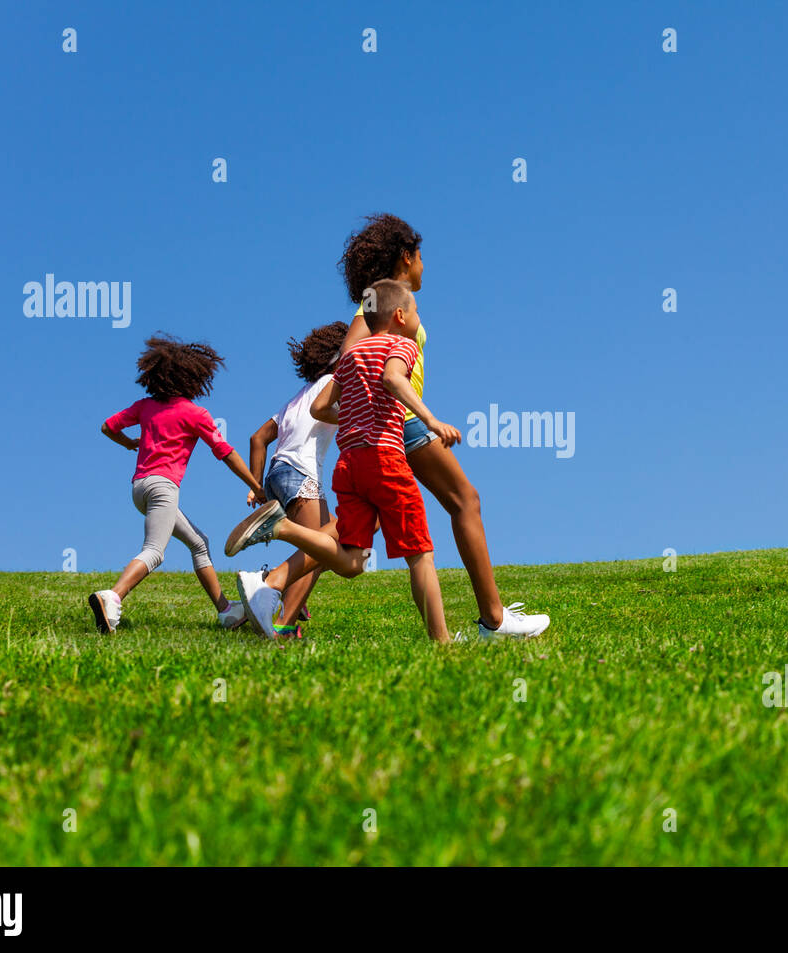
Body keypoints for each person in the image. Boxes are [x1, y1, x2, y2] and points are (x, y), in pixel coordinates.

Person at [241, 214, 550, 640]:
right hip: (399, 423)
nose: (425, 265)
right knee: (464, 501)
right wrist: (413, 412)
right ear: (406, 257)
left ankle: (271, 589)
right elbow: (349, 358)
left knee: (350, 539)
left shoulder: (385, 303)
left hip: (382, 432)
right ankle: (493, 620)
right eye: (421, 256)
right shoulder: (377, 309)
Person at [226, 281, 454, 642]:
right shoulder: (402, 344)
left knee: (352, 561)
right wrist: (431, 420)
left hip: (349, 466)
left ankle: (281, 528)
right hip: (385, 459)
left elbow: (320, 408)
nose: (419, 319)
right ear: (399, 316)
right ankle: (443, 645)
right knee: (420, 555)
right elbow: (394, 378)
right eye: (416, 312)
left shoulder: (349, 359)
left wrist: (350, 418)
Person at [89, 334, 265, 634]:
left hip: (140, 488)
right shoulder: (195, 414)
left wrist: (129, 443)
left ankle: (226, 611)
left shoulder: (145, 406)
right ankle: (113, 597)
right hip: (163, 488)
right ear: (193, 379)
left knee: (199, 542)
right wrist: (255, 485)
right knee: (155, 551)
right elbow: (227, 453)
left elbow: (108, 426)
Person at [242, 321, 348, 638]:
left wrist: (256, 485)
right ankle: (281, 620)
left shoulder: (297, 397)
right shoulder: (334, 384)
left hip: (278, 472)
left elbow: (257, 437)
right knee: (322, 547)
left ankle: (286, 595)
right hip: (301, 472)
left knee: (327, 547)